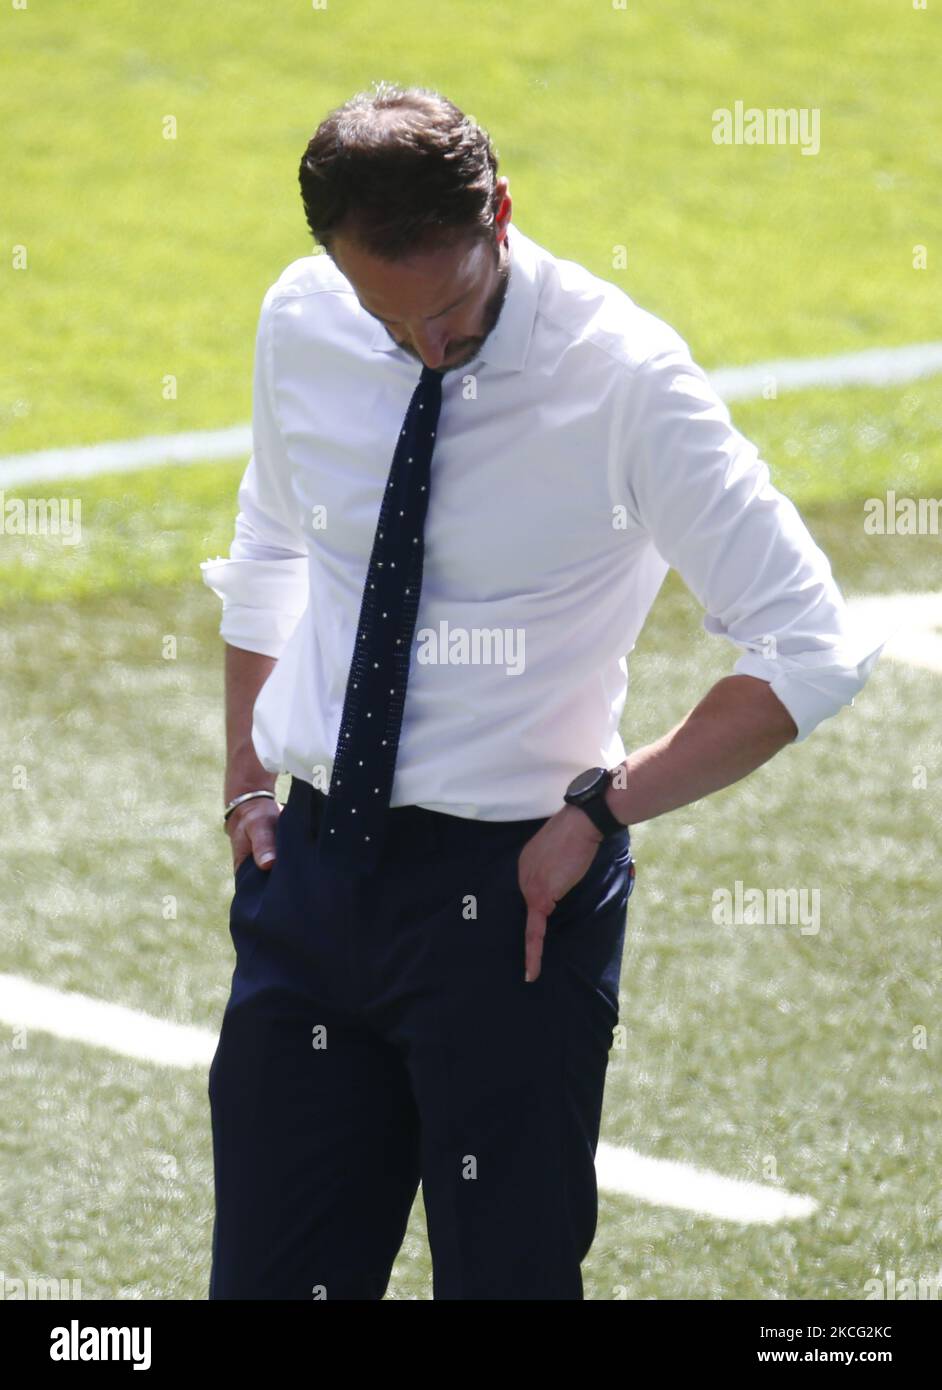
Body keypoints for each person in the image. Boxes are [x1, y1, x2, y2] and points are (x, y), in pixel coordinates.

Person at [200, 81, 884, 1300]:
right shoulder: (301, 318)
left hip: (511, 900)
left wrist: (605, 809)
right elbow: (270, 544)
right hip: (306, 884)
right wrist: (247, 782)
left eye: (453, 311)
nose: (428, 346)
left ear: (502, 213)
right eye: (388, 317)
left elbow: (809, 644)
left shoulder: (627, 381)